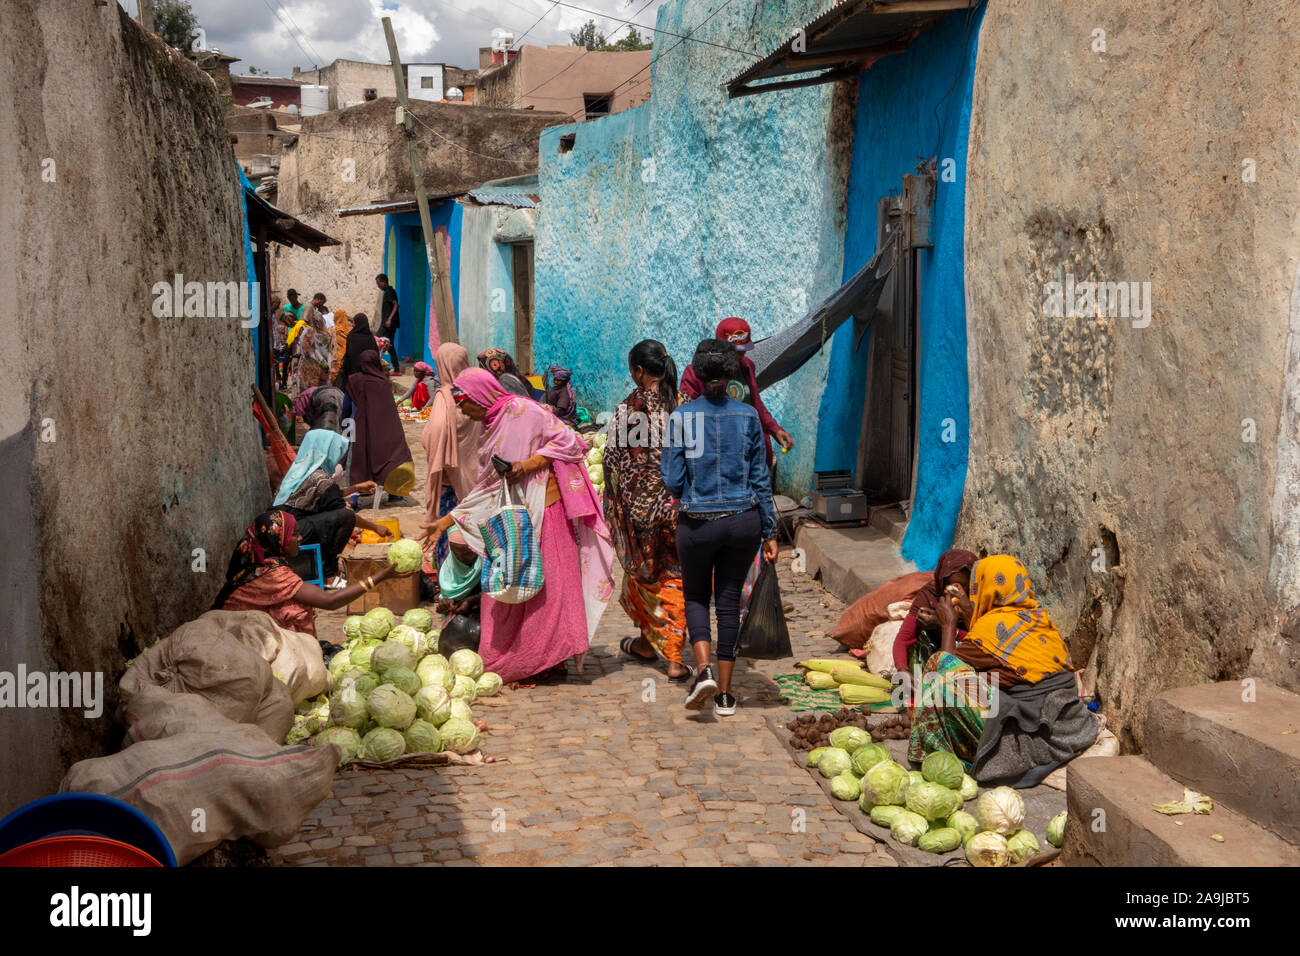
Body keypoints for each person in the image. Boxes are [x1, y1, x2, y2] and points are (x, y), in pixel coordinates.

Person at [418, 368, 615, 684]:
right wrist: (445, 521)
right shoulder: (493, 424)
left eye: (464, 402)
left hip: (546, 510)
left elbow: (572, 442)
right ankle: (527, 655)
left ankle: (550, 657)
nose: (462, 410)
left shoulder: (524, 411)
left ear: (481, 396)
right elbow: (488, 485)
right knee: (509, 584)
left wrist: (527, 464)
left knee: (548, 588)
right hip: (515, 519)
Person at [909, 554, 1098, 786]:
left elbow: (946, 668)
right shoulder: (1038, 617)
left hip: (1030, 734)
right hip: (1069, 724)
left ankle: (940, 749)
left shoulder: (990, 630)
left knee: (938, 664)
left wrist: (948, 625)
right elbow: (998, 658)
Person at [662, 339, 779, 716]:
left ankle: (704, 670)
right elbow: (762, 479)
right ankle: (726, 695)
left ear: (695, 373)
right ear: (730, 375)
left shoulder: (681, 419)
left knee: (696, 597)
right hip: (743, 522)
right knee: (728, 604)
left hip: (697, 524)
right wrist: (771, 531)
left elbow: (673, 480)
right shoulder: (747, 417)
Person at [605, 341, 690, 681]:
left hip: (639, 514)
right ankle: (653, 647)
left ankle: (668, 656)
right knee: (675, 576)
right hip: (677, 509)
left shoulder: (628, 408)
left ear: (639, 371)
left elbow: (611, 458)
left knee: (644, 574)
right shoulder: (684, 406)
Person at [213, 508, 398, 637]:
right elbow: (330, 601)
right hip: (230, 631)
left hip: (232, 622)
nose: (300, 538)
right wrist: (380, 576)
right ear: (278, 539)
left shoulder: (258, 557)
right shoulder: (273, 574)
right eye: (294, 535)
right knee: (297, 611)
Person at [274, 429, 392, 586]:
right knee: (347, 517)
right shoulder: (321, 478)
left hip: (279, 528)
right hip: (293, 532)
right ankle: (329, 574)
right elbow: (342, 511)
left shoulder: (298, 470)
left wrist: (356, 488)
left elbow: (325, 495)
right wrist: (375, 527)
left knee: (336, 514)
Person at [680, 317, 793, 467]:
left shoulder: (747, 366)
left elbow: (756, 404)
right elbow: (688, 417)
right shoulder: (696, 373)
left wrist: (775, 429)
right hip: (713, 451)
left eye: (743, 352)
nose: (739, 357)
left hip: (747, 449)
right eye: (734, 352)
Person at [420, 344, 482, 565]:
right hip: (478, 477)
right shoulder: (478, 392)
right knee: (476, 527)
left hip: (450, 479)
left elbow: (433, 434)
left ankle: (450, 580)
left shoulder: (445, 396)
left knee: (449, 530)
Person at [893, 548, 978, 672]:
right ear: (941, 581)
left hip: (969, 661)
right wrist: (902, 669)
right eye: (949, 585)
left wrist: (946, 625)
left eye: (962, 586)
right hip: (936, 656)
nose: (955, 593)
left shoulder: (979, 599)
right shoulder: (931, 594)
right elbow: (904, 638)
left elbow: (983, 644)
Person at [346, 350, 415, 499]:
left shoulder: (354, 380)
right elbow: (389, 409)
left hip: (358, 427)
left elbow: (346, 407)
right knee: (388, 457)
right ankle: (394, 493)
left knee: (358, 461)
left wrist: (345, 424)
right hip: (382, 428)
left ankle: (354, 499)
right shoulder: (383, 382)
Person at [291, 300, 331, 395]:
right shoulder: (327, 335)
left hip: (308, 366)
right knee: (319, 393)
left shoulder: (307, 333)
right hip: (321, 369)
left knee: (308, 393)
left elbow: (304, 350)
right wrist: (324, 363)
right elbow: (329, 353)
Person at [375, 273, 401, 374]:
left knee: (376, 340)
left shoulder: (390, 291)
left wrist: (389, 319)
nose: (378, 286)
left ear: (383, 282)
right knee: (389, 345)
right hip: (387, 322)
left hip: (388, 323)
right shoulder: (387, 292)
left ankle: (377, 365)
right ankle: (396, 368)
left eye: (378, 283)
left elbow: (395, 306)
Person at [329, 307, 352, 382]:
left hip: (335, 359)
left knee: (335, 381)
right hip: (347, 358)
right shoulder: (351, 330)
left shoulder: (330, 330)